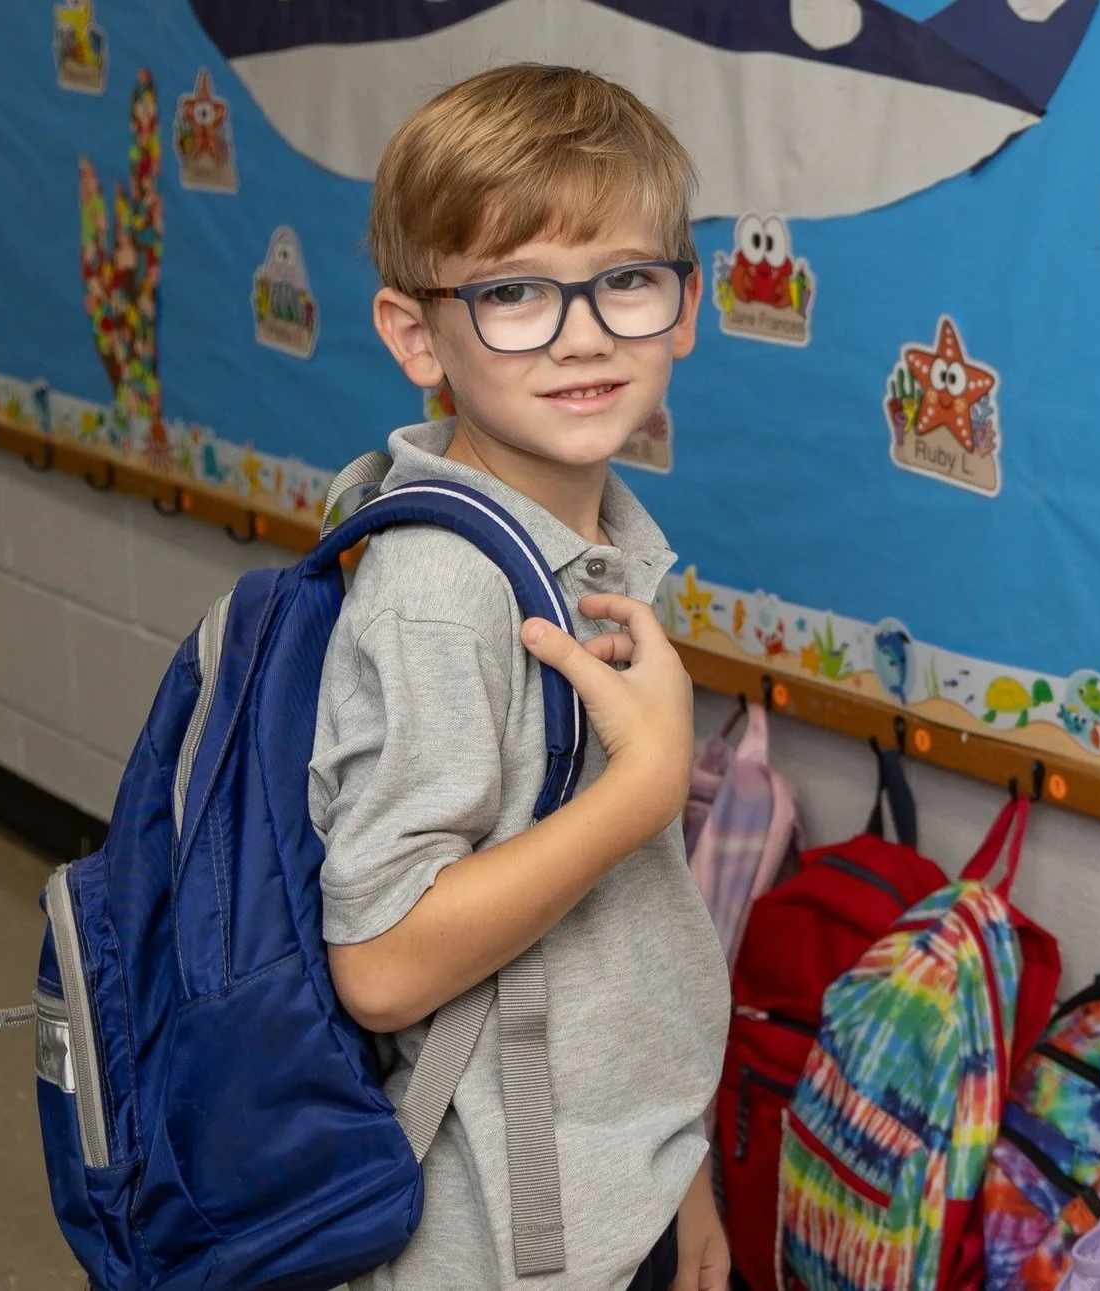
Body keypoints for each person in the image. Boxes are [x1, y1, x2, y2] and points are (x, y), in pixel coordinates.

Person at [308, 64, 732, 1291]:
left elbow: (618, 927)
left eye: (627, 281)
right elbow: (381, 963)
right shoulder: (444, 588)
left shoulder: (583, 546)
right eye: (512, 293)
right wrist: (645, 785)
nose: (583, 331)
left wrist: (679, 1170)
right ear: (414, 335)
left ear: (685, 304)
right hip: (508, 1244)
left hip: (613, 1184)